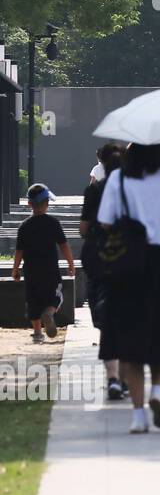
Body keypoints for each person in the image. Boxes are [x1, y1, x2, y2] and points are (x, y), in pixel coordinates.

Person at [97, 143, 160, 434]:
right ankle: (157, 391)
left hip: (129, 263)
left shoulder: (119, 179)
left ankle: (138, 416)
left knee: (131, 337)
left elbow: (104, 222)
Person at [80, 143, 127, 399]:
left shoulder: (94, 189)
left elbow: (84, 229)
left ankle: (113, 377)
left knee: (105, 314)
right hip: (128, 258)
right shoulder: (134, 189)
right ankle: (128, 377)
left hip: (99, 257)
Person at [13, 184, 74, 344]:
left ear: (29, 204)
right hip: (50, 271)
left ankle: (37, 332)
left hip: (31, 272)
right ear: (47, 203)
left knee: (33, 301)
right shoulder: (53, 223)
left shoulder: (24, 227)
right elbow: (64, 245)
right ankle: (49, 312)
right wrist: (70, 263)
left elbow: (19, 251)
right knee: (56, 296)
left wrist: (15, 270)